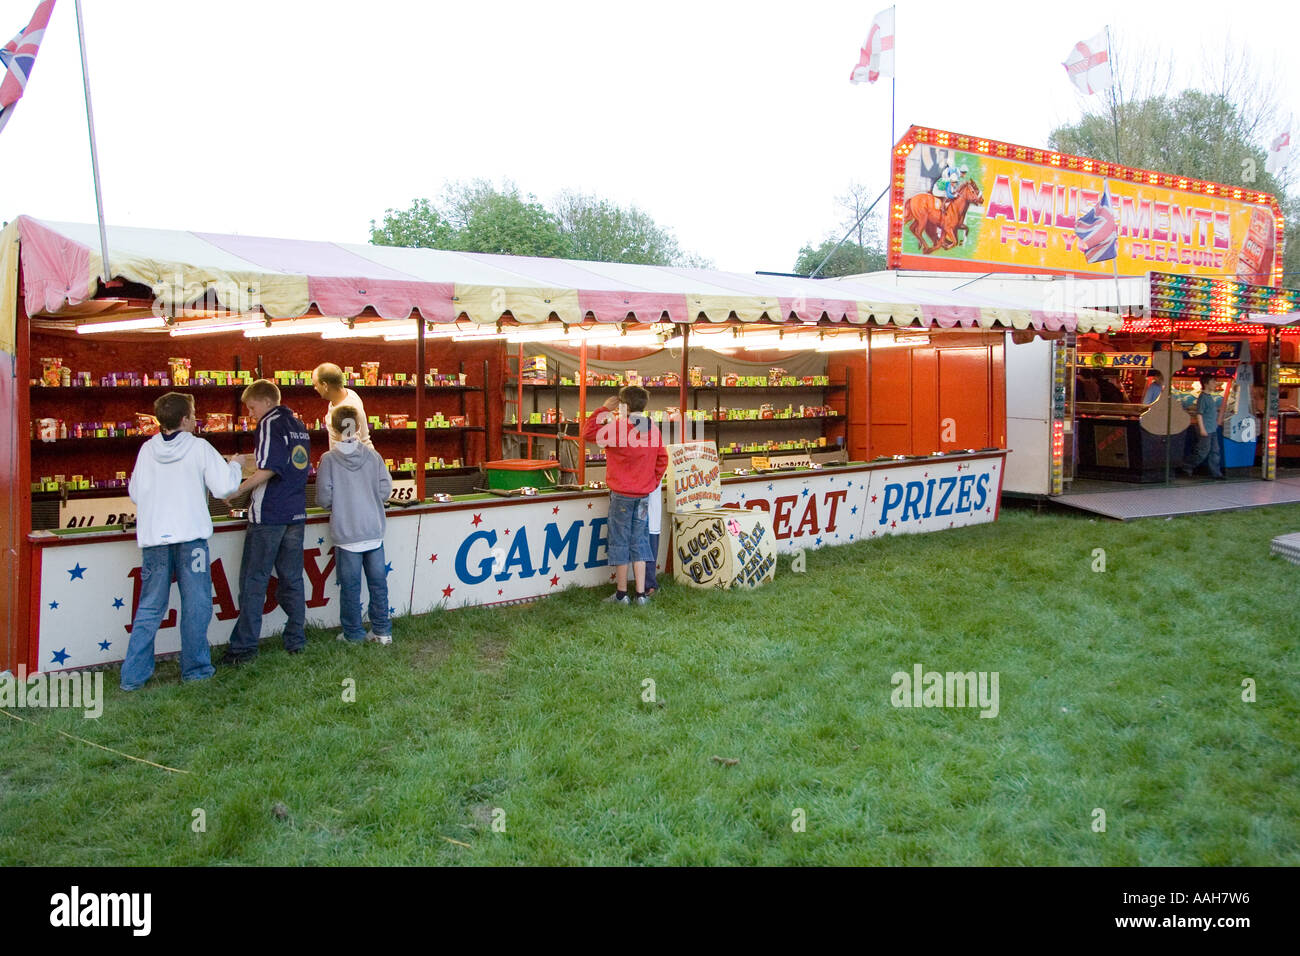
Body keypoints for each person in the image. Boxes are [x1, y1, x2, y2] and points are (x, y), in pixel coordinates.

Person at [119, 393, 242, 690]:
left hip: (154, 541)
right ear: (185, 419)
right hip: (191, 539)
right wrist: (235, 465)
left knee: (150, 606)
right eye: (194, 414)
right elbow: (225, 486)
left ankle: (133, 677)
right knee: (197, 604)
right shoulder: (199, 448)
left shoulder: (147, 450)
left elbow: (135, 493)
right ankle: (196, 669)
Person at [222, 379, 312, 662]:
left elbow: (269, 468)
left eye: (252, 407)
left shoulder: (269, 424)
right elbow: (278, 461)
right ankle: (296, 639)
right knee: (292, 579)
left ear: (268, 402)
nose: (250, 414)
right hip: (296, 511)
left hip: (269, 513)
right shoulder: (298, 426)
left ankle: (243, 649)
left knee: (254, 581)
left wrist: (237, 489)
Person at [581, 386, 668, 606]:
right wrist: (652, 482)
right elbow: (662, 459)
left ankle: (621, 594)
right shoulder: (652, 430)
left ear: (624, 406)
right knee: (639, 541)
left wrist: (602, 410)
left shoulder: (617, 429)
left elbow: (587, 433)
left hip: (621, 495)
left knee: (620, 542)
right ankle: (640, 594)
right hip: (643, 495)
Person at [316, 405, 393, 645]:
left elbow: (323, 498)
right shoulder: (374, 456)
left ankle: (353, 634)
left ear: (333, 429)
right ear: (359, 427)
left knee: (350, 587)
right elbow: (385, 490)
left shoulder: (328, 460)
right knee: (378, 584)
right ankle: (382, 631)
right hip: (373, 530)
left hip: (347, 535)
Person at [312, 362, 373, 450]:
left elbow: (351, 452)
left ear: (325, 386)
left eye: (316, 385)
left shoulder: (347, 412)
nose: (315, 388)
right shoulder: (347, 394)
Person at [1182, 373, 1224, 478]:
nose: (1215, 384)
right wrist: (1202, 429)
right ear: (1206, 384)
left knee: (1215, 451)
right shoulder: (1203, 398)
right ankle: (1186, 466)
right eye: (1213, 382)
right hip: (1206, 429)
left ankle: (1216, 473)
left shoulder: (1209, 397)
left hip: (1212, 428)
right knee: (1202, 452)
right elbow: (1199, 414)